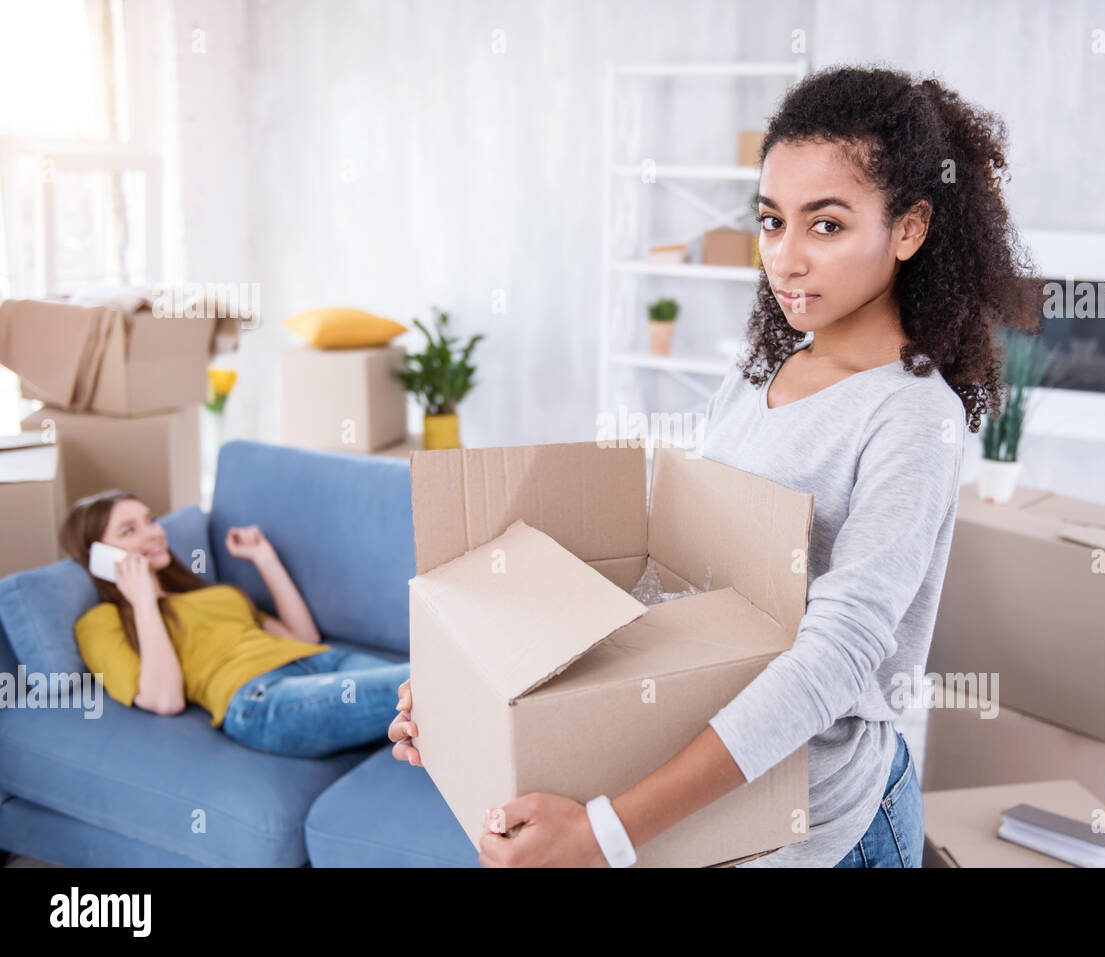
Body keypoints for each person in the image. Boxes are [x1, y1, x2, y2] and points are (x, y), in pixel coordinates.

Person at [390, 65, 1040, 866]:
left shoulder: (912, 417)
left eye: (826, 226)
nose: (786, 258)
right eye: (772, 221)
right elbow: (677, 570)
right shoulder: (759, 371)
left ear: (907, 229)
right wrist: (480, 697)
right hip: (720, 813)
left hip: (823, 829)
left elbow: (833, 657)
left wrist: (609, 833)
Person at [65, 489, 409, 759]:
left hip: (325, 662)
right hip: (261, 698)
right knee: (426, 685)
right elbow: (165, 700)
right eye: (129, 530)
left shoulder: (212, 595)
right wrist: (142, 600)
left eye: (150, 520)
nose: (154, 534)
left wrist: (265, 558)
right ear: (98, 556)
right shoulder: (101, 622)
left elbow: (304, 637)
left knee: (425, 698)